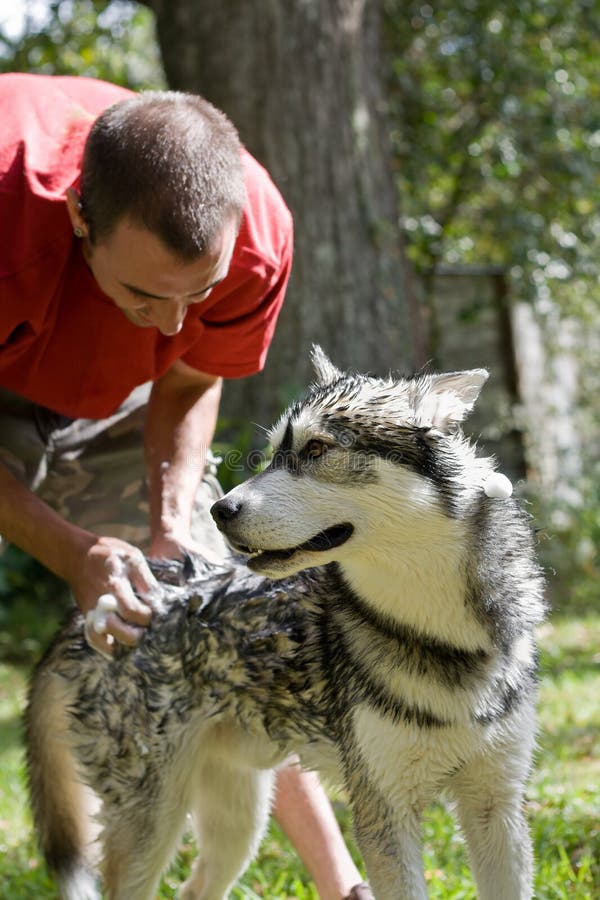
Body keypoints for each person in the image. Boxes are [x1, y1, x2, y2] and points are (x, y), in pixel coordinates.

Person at [0, 73, 370, 899]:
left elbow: (191, 378)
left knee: (209, 613)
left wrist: (169, 527)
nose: (174, 322)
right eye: (144, 291)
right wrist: (75, 552)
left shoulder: (258, 233)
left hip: (117, 386)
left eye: (196, 293)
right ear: (78, 220)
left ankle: (344, 886)